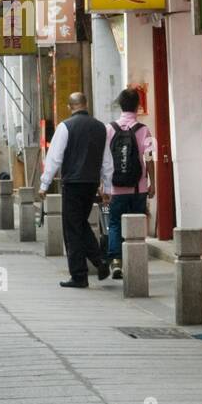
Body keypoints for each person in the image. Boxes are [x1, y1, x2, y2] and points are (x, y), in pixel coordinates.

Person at [40, 92, 113, 289]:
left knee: (72, 228)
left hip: (73, 182)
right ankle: (100, 262)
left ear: (70, 106)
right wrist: (107, 186)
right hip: (91, 183)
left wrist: (44, 184)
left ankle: (79, 275)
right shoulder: (100, 127)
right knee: (80, 223)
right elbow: (107, 160)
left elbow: (55, 157)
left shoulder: (65, 127)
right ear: (86, 104)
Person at [103, 88, 155, 281]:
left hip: (116, 188)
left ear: (120, 105)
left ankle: (116, 261)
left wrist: (104, 185)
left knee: (115, 223)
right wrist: (152, 183)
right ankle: (136, 261)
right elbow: (149, 158)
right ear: (137, 106)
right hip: (138, 188)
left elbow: (105, 160)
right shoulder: (144, 130)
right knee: (137, 223)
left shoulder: (109, 129)